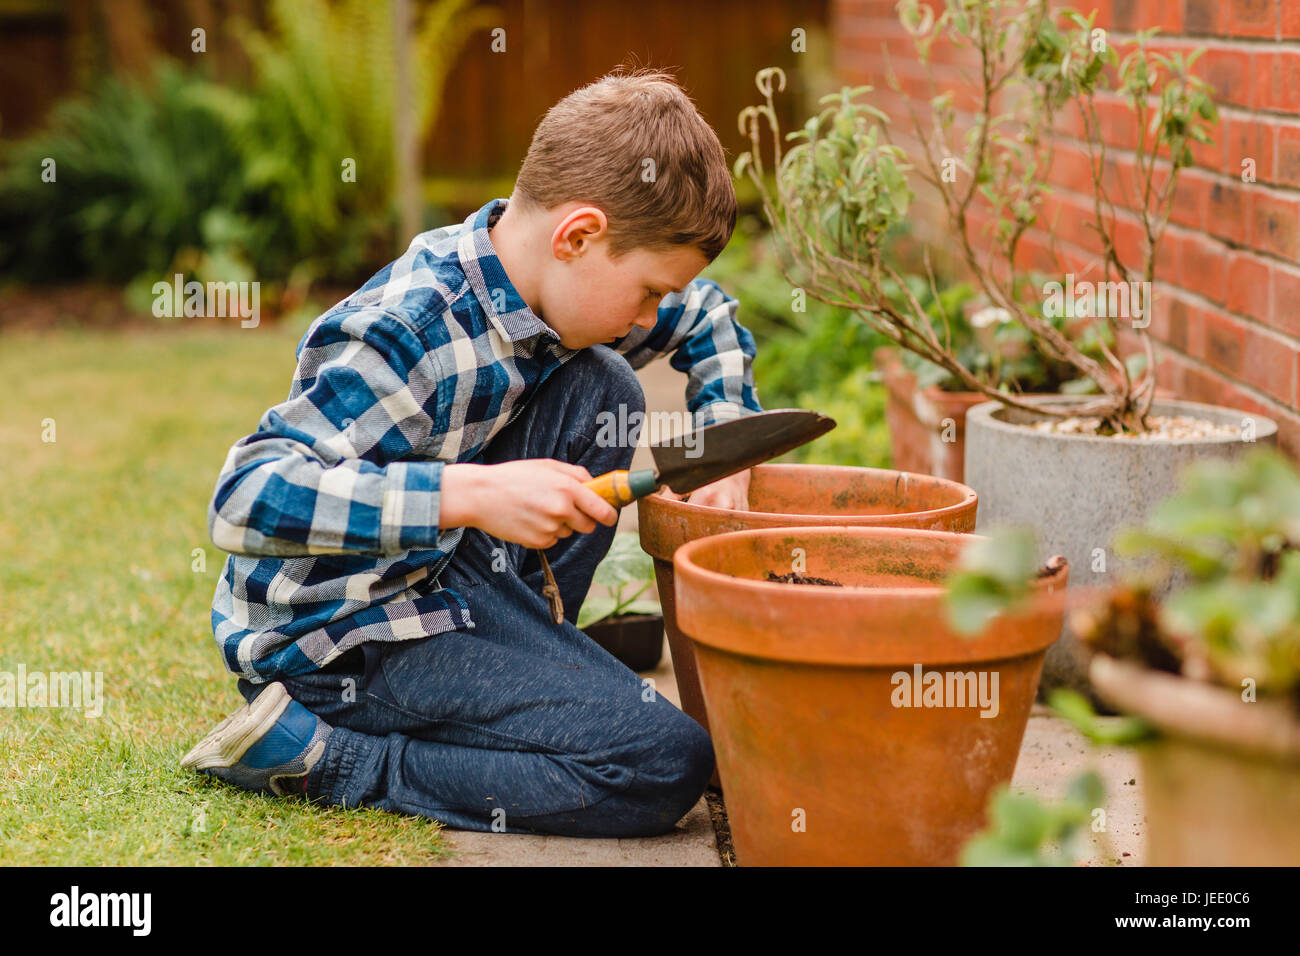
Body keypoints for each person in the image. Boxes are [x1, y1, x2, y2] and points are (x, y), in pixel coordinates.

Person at [180, 68, 763, 838]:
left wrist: (728, 437)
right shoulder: (411, 329)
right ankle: (332, 757)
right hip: (342, 639)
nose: (655, 311)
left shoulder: (548, 280)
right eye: (650, 291)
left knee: (604, 385)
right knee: (660, 762)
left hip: (440, 573)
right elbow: (245, 495)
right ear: (578, 235)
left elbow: (709, 318)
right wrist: (469, 495)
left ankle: (527, 663)